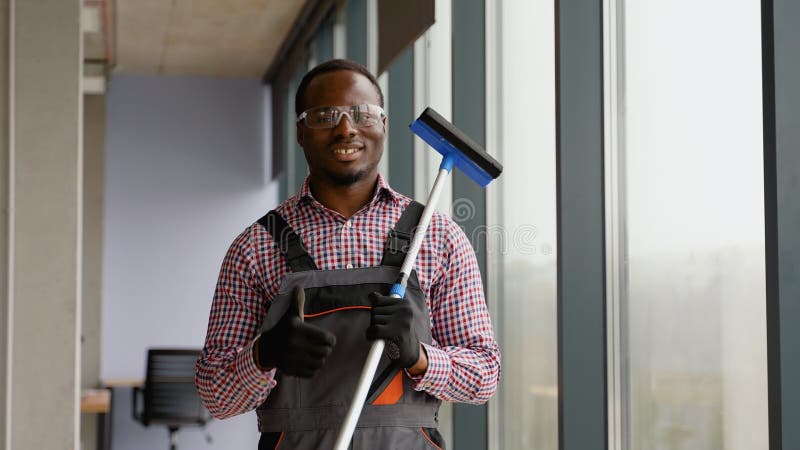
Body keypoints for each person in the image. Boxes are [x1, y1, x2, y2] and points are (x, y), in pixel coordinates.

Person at [196, 58, 501, 449]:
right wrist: (264, 353)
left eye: (362, 113)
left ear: (384, 126)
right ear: (301, 133)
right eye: (325, 115)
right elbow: (215, 396)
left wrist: (418, 356)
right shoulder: (255, 247)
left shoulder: (438, 236)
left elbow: (484, 377)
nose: (346, 128)